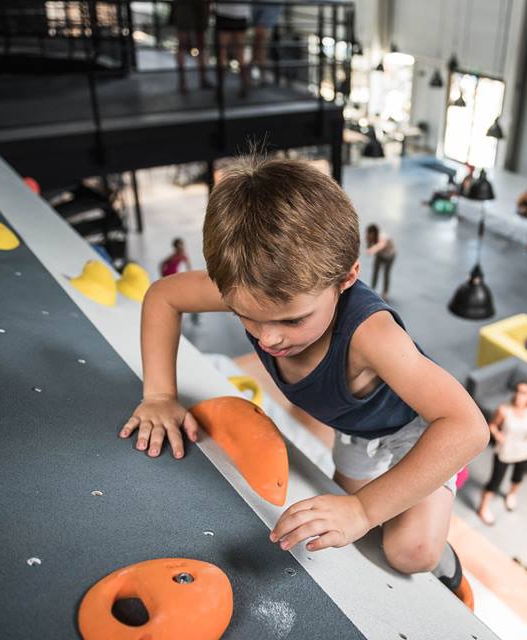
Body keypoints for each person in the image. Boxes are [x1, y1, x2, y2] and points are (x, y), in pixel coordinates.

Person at [117, 157, 488, 604]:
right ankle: (410, 508)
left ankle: (446, 563)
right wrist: (159, 395)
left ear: (347, 276)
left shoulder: (373, 337)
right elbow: (163, 297)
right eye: (246, 317)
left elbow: (467, 426)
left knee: (408, 551)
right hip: (357, 430)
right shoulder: (253, 285)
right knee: (341, 532)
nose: (269, 337)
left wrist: (365, 508)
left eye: (292, 320)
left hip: (423, 429)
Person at [476, 382, 527, 525]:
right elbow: (492, 425)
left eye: (524, 392)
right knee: (495, 481)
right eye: (518, 391)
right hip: (505, 451)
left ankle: (511, 495)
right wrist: (497, 434)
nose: (519, 395)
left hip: (525, 450)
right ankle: (483, 507)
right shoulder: (504, 410)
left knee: (518, 477)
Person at [172, 0, 212, 93]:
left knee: (199, 44)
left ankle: (201, 79)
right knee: (183, 43)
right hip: (186, 5)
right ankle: (184, 81)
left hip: (198, 6)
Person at [214, 2, 251, 97]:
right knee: (239, 53)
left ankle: (221, 88)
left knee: (223, 53)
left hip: (226, 13)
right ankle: (244, 86)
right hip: (239, 13)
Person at [251, 3, 282, 86]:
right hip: (259, 6)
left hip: (269, 7)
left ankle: (257, 71)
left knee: (261, 41)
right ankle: (255, 71)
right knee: (259, 42)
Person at [365, 224, 396, 299]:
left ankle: (385, 292)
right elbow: (370, 245)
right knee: (375, 271)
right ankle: (372, 289)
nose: (370, 236)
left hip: (389, 255)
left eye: (371, 234)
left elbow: (380, 245)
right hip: (380, 255)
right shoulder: (369, 237)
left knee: (386, 273)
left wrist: (372, 250)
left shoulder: (382, 236)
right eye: (369, 234)